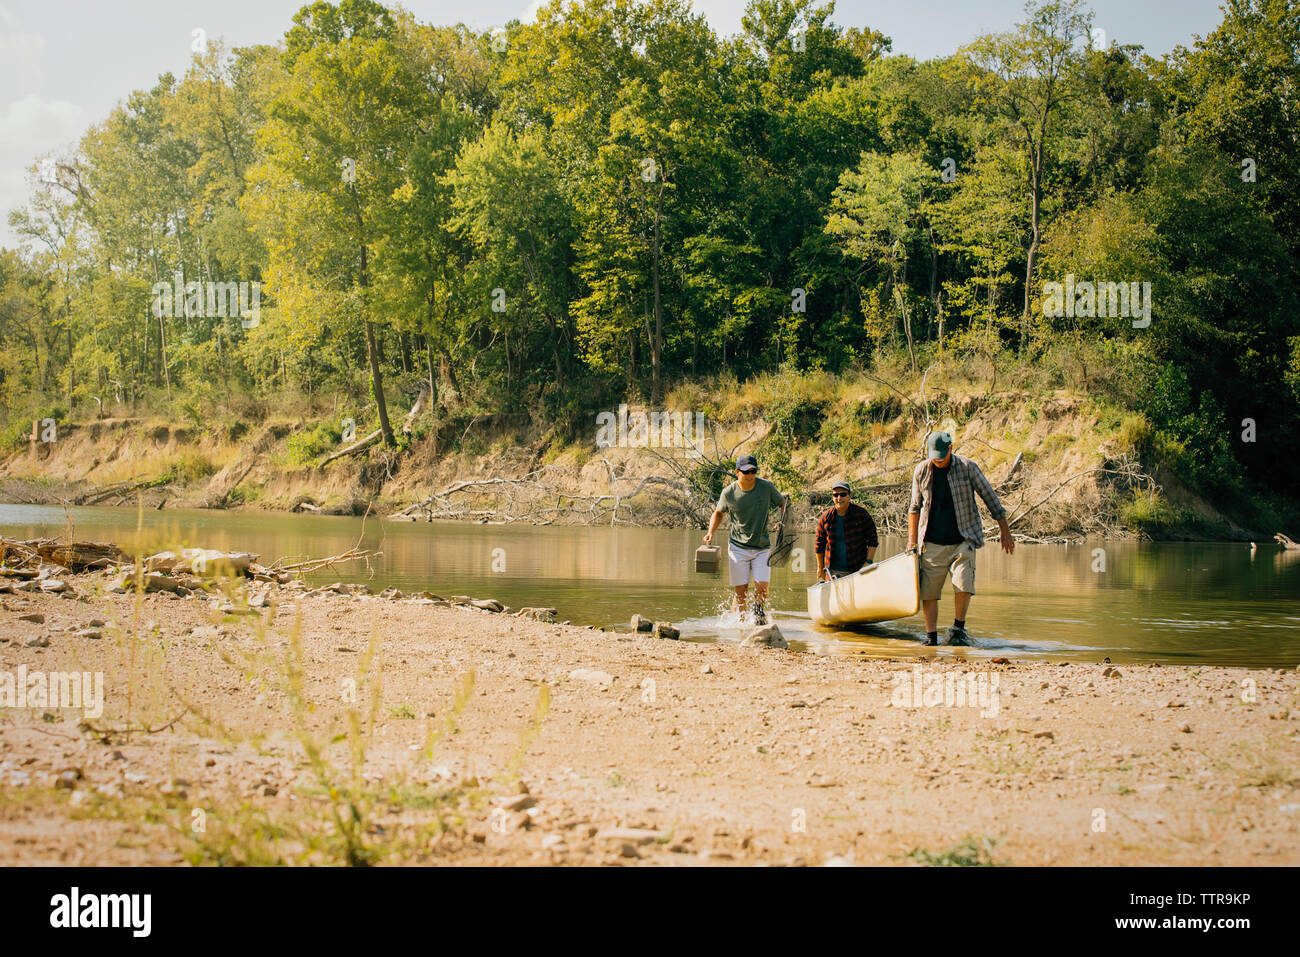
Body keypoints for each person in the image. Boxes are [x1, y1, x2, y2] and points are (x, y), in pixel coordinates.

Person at [906, 430, 1015, 646]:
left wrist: (1005, 530)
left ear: (951, 449)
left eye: (942, 455)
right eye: (934, 455)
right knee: (929, 592)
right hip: (931, 541)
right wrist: (912, 542)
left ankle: (958, 628)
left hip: (962, 538)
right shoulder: (921, 471)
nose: (938, 459)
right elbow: (914, 508)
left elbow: (990, 497)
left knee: (964, 585)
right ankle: (931, 638)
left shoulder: (967, 467)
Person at [703, 454, 790, 625]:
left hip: (762, 547)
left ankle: (757, 614)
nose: (750, 475)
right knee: (741, 591)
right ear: (737, 472)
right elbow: (719, 513)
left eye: (753, 471)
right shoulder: (729, 493)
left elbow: (783, 504)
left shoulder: (766, 487)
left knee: (762, 588)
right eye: (746, 472)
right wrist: (710, 532)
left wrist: (783, 521)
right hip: (738, 547)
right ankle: (740, 623)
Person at [814, 479, 878, 581]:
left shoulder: (861, 514)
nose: (839, 498)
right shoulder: (826, 518)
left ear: (849, 496)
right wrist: (820, 568)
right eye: (836, 495)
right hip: (833, 571)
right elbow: (819, 545)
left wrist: (869, 561)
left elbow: (872, 539)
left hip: (858, 569)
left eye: (843, 494)